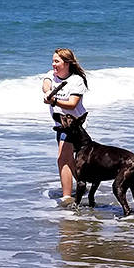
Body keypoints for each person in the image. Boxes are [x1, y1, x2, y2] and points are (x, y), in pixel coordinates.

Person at [42, 48, 88, 201]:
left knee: (62, 158)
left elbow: (72, 105)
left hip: (75, 126)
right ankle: (83, 183)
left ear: (67, 63)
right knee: (68, 159)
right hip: (61, 124)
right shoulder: (51, 75)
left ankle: (67, 197)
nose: (53, 64)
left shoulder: (76, 81)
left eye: (57, 61)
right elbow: (46, 84)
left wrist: (54, 101)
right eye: (53, 61)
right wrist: (47, 92)